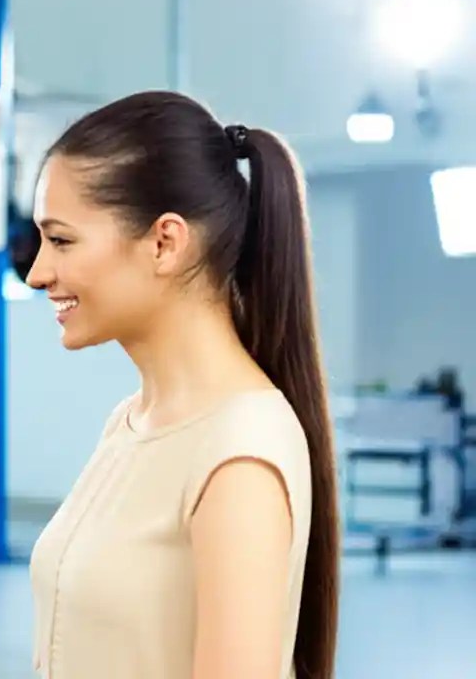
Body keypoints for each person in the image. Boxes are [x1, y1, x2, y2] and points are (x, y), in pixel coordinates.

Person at [24, 91, 339, 679]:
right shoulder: (131, 422)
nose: (37, 272)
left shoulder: (238, 453)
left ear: (165, 243)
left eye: (61, 240)